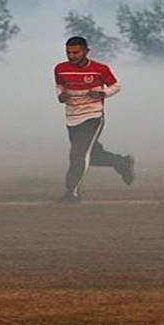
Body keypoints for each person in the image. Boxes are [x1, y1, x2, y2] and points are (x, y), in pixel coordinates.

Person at [53, 36, 135, 203]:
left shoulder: (100, 69)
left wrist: (102, 93)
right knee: (92, 156)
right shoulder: (60, 69)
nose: (72, 56)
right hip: (72, 117)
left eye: (76, 52)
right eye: (69, 53)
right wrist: (61, 96)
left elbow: (116, 86)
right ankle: (121, 162)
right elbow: (60, 87)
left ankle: (72, 193)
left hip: (93, 116)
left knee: (77, 155)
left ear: (86, 51)